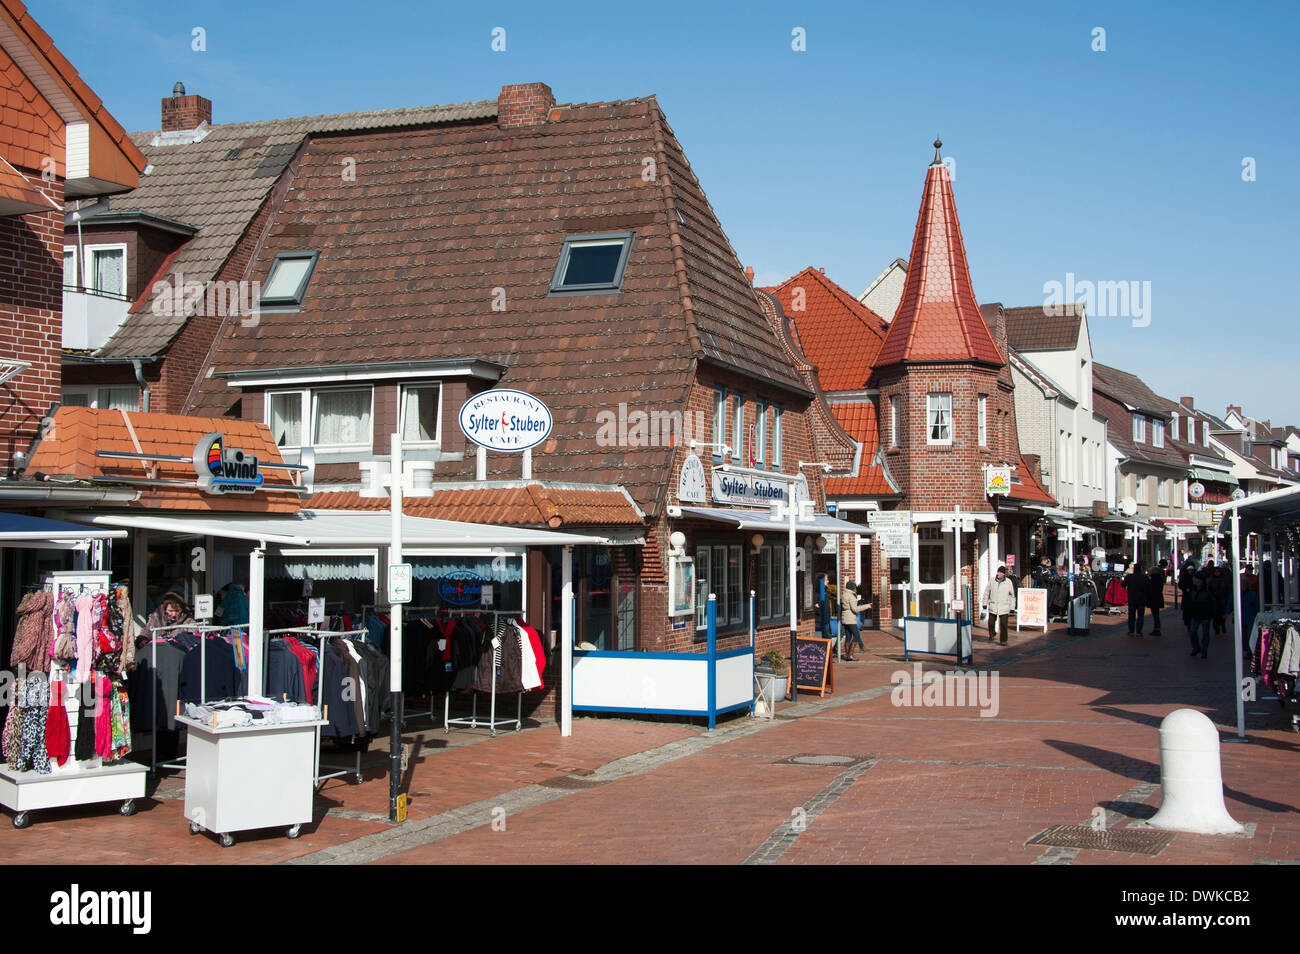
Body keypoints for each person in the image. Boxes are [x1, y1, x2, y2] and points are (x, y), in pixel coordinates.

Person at [982, 565, 1016, 646]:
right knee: (991, 623)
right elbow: (987, 592)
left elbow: (1012, 595)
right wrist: (984, 603)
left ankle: (1003, 640)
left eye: (1000, 572)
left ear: (1004, 574)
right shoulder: (992, 581)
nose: (998, 573)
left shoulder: (1008, 582)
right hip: (993, 605)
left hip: (1004, 606)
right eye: (998, 572)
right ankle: (992, 634)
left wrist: (1012, 607)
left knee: (1004, 624)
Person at [839, 581, 870, 661]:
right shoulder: (851, 596)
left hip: (845, 618)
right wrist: (867, 606)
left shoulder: (844, 595)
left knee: (848, 636)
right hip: (850, 619)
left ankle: (846, 654)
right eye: (855, 587)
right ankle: (851, 655)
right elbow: (855, 609)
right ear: (853, 588)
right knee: (856, 635)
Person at [1186, 575, 1215, 659]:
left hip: (1205, 614)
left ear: (1200, 580)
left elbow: (1212, 601)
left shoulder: (1207, 589)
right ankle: (1196, 647)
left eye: (1195, 579)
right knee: (1192, 631)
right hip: (1195, 613)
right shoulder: (1192, 589)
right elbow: (1190, 600)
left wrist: (1212, 612)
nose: (1193, 580)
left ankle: (1204, 650)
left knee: (1205, 633)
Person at [1124, 561, 1148, 636]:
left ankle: (1131, 631)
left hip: (1132, 598)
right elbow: (1148, 588)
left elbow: (1123, 584)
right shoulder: (1144, 577)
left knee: (1131, 615)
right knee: (1140, 616)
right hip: (1141, 599)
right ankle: (1139, 631)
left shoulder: (1129, 577)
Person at [1208, 565, 1230, 636]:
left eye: (1218, 572)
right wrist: (1212, 598)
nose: (1217, 573)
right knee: (1215, 616)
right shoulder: (1211, 580)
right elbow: (1209, 590)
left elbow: (1227, 590)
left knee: (1222, 615)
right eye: (1216, 572)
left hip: (1222, 600)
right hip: (1214, 601)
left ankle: (1222, 625)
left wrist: (1226, 598)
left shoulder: (1224, 579)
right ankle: (1216, 629)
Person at [1147, 560, 1167, 635]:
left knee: (1155, 614)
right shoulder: (1160, 578)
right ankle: (1157, 628)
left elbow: (1150, 588)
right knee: (1156, 614)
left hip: (1154, 598)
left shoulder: (1152, 579)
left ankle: (1157, 629)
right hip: (1158, 597)